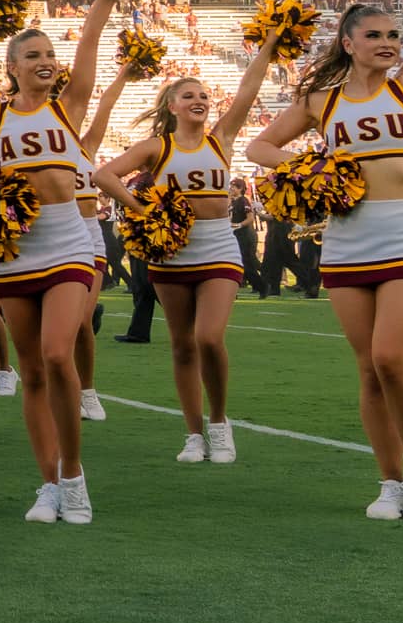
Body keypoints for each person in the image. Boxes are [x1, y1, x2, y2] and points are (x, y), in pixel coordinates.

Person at [244, 0, 403, 523]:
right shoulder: (320, 102)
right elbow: (259, 146)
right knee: (369, 370)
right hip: (349, 240)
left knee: (390, 356)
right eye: (374, 36)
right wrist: (312, 165)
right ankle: (390, 481)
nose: (388, 43)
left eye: (393, 35)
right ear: (348, 43)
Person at [0, 0, 116, 525]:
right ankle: (48, 484)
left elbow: (89, 39)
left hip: (67, 243)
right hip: (13, 252)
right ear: (11, 67)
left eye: (48, 56)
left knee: (58, 354)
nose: (45, 62)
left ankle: (74, 477)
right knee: (34, 373)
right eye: (32, 56)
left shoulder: (70, 105)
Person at [90, 28, 283, 464]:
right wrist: (140, 210)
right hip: (171, 253)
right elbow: (104, 177)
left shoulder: (222, 138)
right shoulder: (157, 147)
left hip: (218, 248)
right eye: (188, 95)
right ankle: (193, 433)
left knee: (209, 338)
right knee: (181, 344)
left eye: (203, 95)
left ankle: (219, 423)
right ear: (171, 106)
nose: (199, 100)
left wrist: (267, 48)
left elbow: (248, 92)